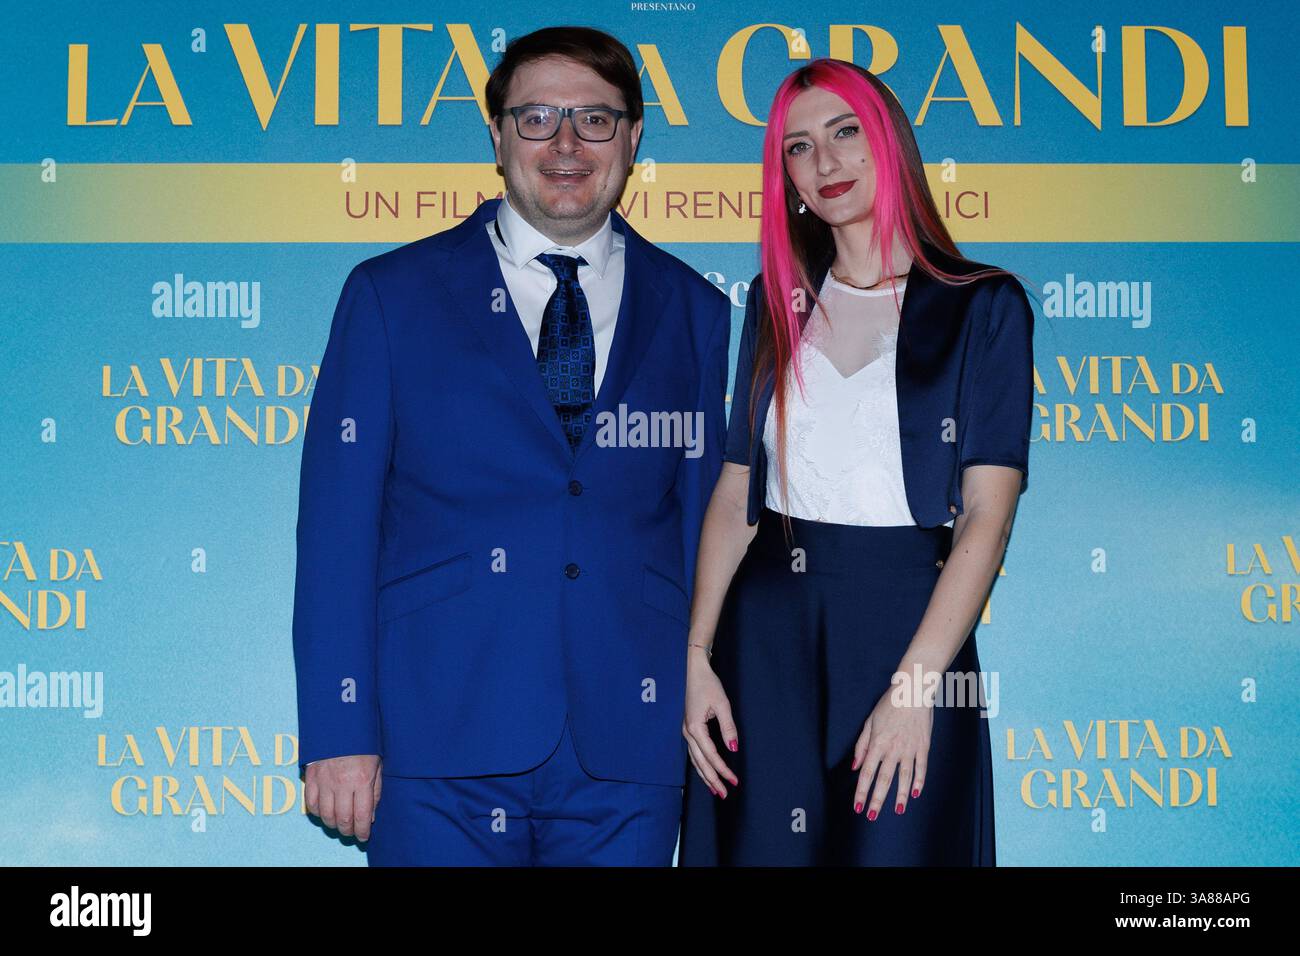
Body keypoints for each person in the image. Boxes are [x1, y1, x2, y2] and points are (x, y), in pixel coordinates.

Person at [291, 26, 730, 866]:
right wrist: (339, 729)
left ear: (632, 139)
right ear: (496, 138)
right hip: (433, 742)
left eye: (595, 120)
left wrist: (701, 691)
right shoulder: (390, 295)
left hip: (629, 747)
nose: (566, 144)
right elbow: (338, 533)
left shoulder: (697, 312)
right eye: (537, 119)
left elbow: (702, 528)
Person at [677, 58, 1034, 866]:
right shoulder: (777, 302)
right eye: (799, 148)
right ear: (788, 178)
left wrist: (915, 690)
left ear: (890, 143)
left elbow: (988, 512)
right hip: (762, 647)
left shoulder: (984, 305)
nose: (825, 162)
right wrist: (696, 658)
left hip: (908, 634)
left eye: (845, 133)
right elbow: (740, 493)